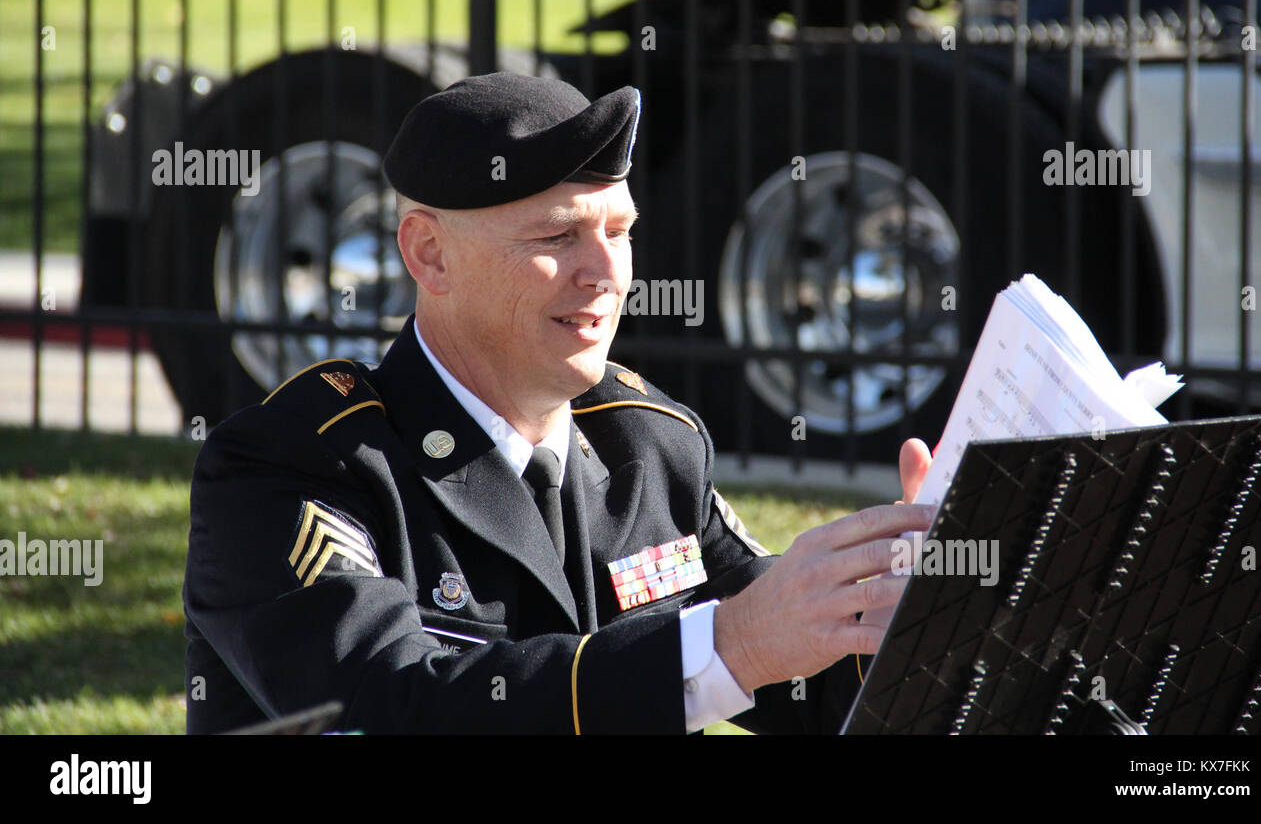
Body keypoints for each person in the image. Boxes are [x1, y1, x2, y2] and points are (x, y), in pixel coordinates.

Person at [182, 72, 935, 734]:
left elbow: (807, 689)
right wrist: (729, 644)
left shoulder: (648, 448)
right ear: (428, 254)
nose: (607, 271)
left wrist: (909, 618)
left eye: (619, 231)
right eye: (558, 235)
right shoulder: (298, 466)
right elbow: (391, 708)